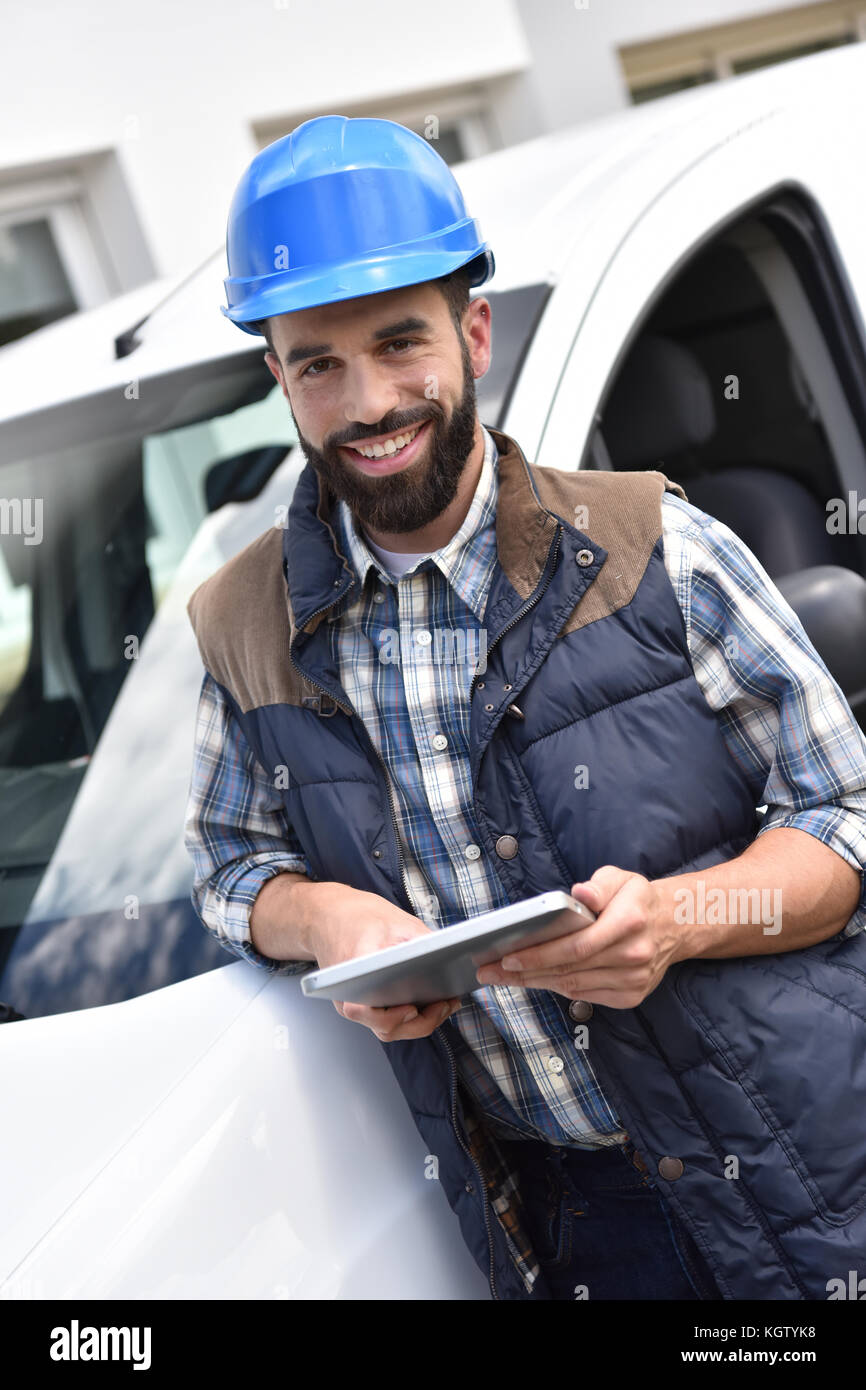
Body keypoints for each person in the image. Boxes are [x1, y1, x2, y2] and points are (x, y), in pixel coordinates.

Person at [183, 114, 866, 1301]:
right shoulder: (240, 632)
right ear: (277, 378)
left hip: (803, 1160)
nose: (368, 401)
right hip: (568, 1221)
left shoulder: (660, 548)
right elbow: (229, 870)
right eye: (318, 363)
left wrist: (678, 918)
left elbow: (846, 812)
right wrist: (328, 923)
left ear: (473, 333)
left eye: (401, 343)